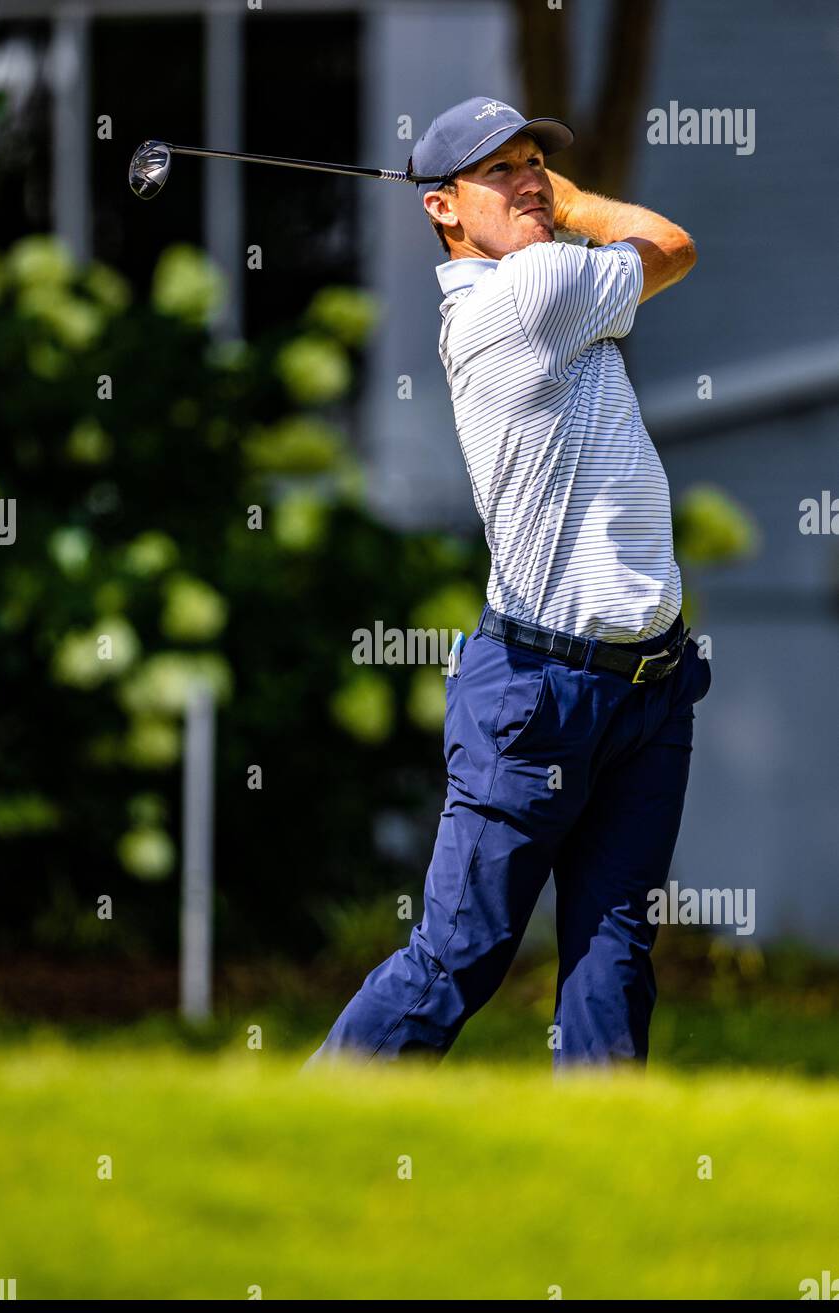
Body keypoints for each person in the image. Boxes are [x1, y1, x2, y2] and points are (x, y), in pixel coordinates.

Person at [303, 95, 710, 1072]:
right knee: (458, 956)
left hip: (645, 689)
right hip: (540, 696)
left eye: (536, 161)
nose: (529, 179)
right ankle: (308, 1118)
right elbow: (669, 242)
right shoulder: (522, 295)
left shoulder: (537, 286)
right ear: (441, 208)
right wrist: (572, 205)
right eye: (501, 171)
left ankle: (599, 1173)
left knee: (611, 957)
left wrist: (541, 206)